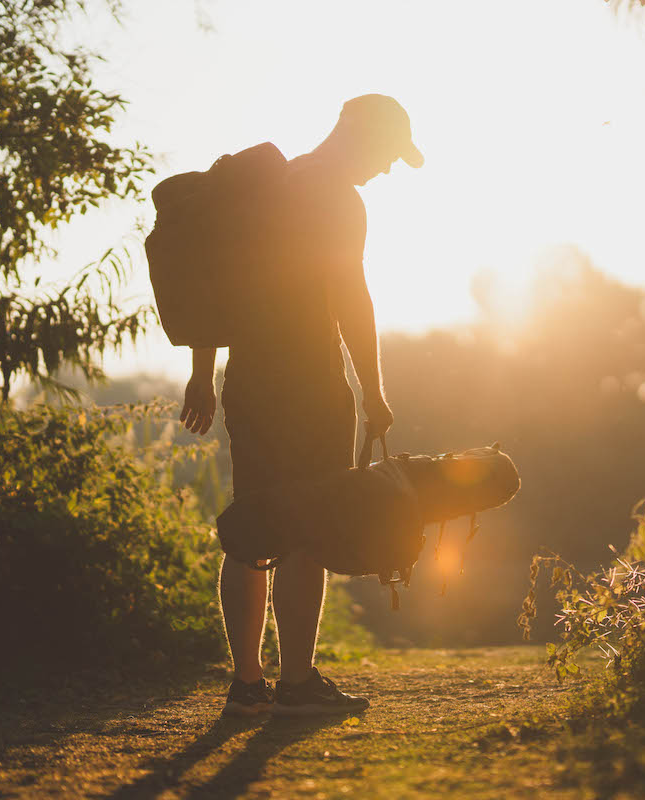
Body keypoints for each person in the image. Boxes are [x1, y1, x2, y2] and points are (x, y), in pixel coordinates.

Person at [178, 94, 423, 715]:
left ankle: (245, 684)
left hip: (250, 379)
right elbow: (354, 301)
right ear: (360, 136)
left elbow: (212, 286)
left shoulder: (264, 189)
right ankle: (297, 684)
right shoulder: (339, 199)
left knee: (250, 527)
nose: (388, 170)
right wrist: (374, 391)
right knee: (307, 528)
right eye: (390, 154)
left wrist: (202, 374)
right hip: (311, 382)